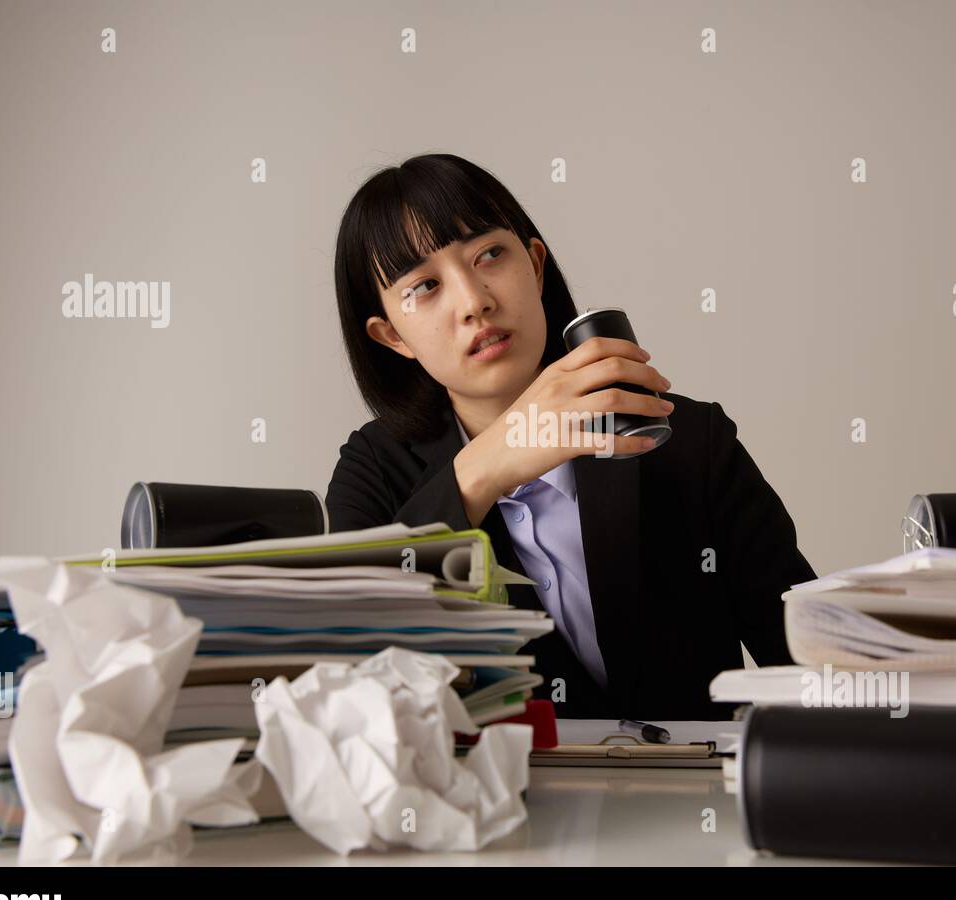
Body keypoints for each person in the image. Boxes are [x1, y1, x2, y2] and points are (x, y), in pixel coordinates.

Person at [327, 153, 816, 718]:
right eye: (426, 285)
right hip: (503, 805)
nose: (473, 301)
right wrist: (484, 470)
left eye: (489, 254)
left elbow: (811, 666)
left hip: (697, 801)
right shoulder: (373, 469)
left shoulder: (687, 440)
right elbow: (355, 683)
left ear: (535, 267)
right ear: (392, 336)